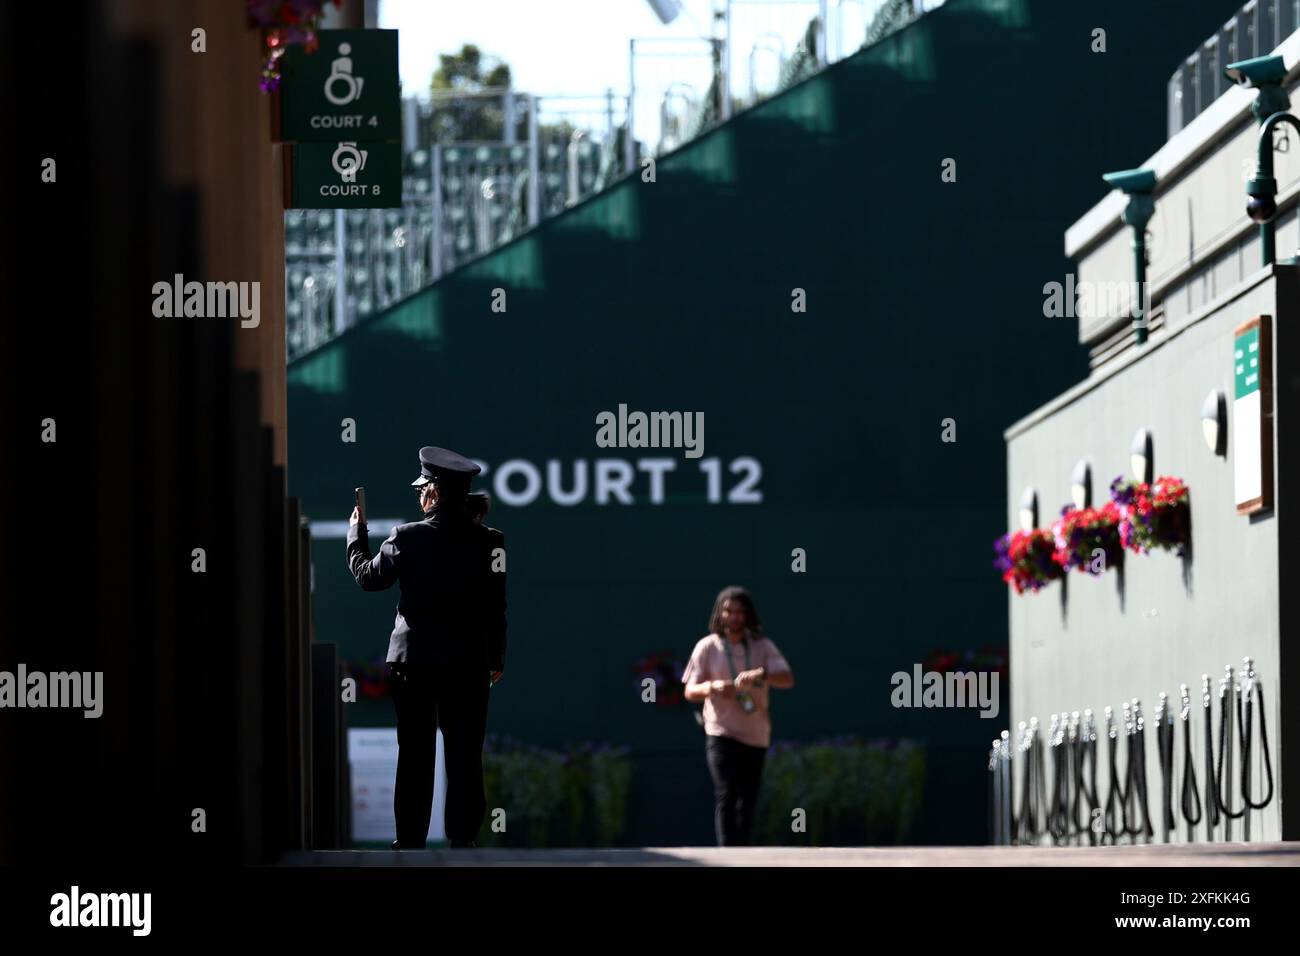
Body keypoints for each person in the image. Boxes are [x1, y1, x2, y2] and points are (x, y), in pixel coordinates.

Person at [347, 446, 507, 849]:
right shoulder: (492, 542)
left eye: (422, 489)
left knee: (415, 754)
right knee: (465, 755)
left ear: (433, 491)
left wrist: (356, 534)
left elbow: (369, 578)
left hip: (414, 664)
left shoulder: (407, 536)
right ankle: (463, 841)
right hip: (468, 664)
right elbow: (496, 606)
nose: (419, 496)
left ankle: (410, 843)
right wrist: (495, 659)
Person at [682, 586, 794, 846]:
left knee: (748, 797)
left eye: (740, 612)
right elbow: (689, 690)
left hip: (755, 733)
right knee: (726, 791)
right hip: (720, 730)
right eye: (728, 611)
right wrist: (713, 687)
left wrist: (761, 674)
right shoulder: (707, 647)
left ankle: (743, 853)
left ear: (748, 615)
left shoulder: (762, 646)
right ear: (720, 613)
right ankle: (727, 855)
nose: (734, 617)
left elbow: (787, 678)